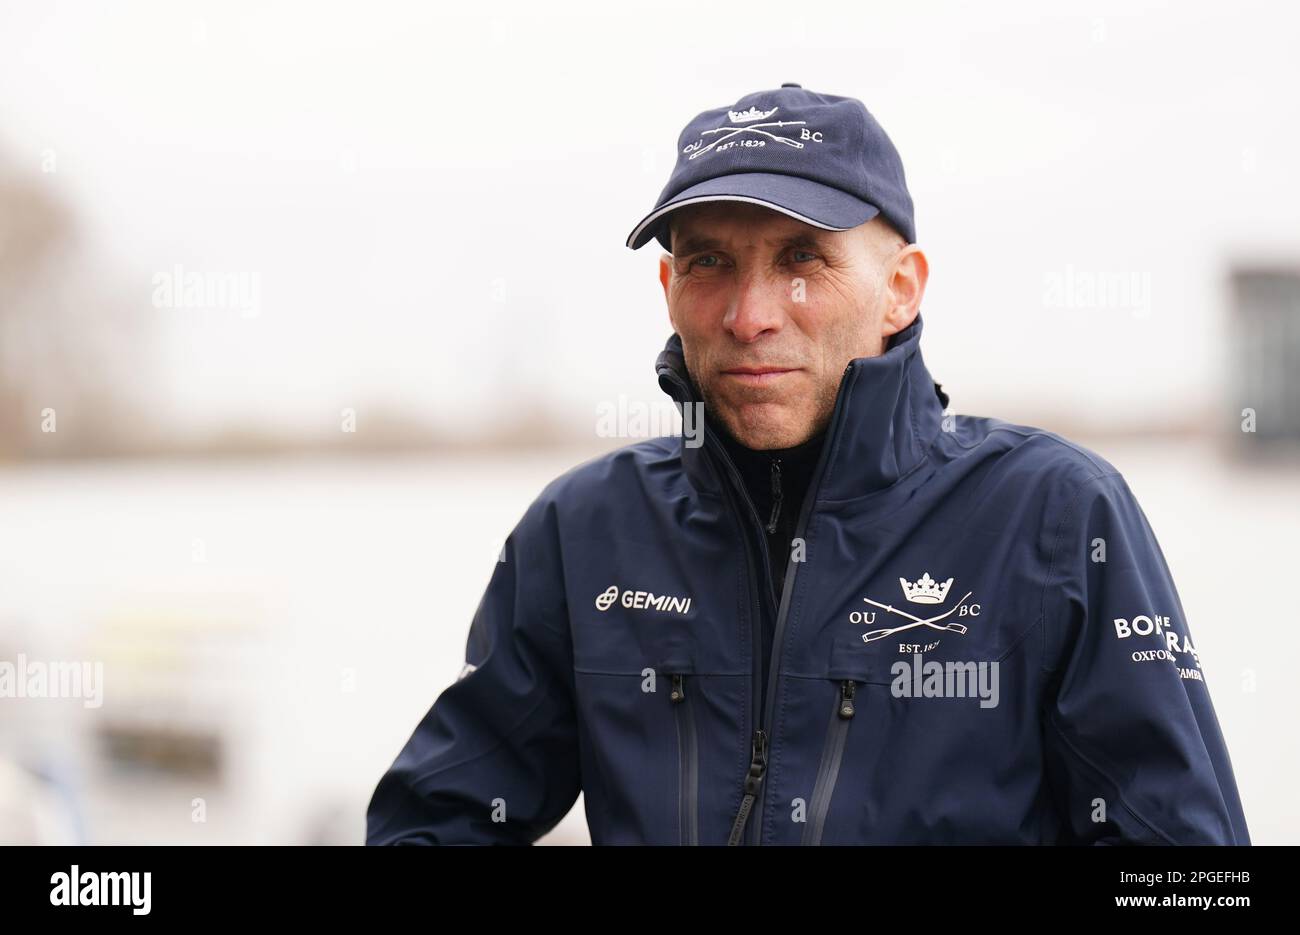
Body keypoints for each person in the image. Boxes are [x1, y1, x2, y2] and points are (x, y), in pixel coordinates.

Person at [366, 84, 1250, 845]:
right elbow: (434, 820)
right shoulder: (585, 531)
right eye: (709, 261)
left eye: (802, 258)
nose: (750, 314)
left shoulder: (1056, 518)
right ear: (669, 292)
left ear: (900, 289)